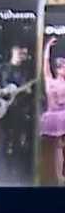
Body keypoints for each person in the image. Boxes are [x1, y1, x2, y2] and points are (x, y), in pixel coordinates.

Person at [0, 44, 34, 183]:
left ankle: (16, 175)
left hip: (19, 110)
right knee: (3, 142)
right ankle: (2, 175)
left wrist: (27, 90)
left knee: (17, 143)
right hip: (3, 110)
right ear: (13, 51)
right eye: (19, 51)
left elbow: (29, 90)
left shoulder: (25, 72)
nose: (21, 55)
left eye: (23, 53)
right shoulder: (2, 68)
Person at [40, 37, 65, 185]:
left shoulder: (51, 80)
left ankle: (59, 176)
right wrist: (47, 49)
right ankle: (56, 177)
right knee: (54, 150)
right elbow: (45, 68)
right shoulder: (50, 80)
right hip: (54, 118)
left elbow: (46, 68)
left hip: (57, 117)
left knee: (58, 149)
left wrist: (47, 48)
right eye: (61, 66)